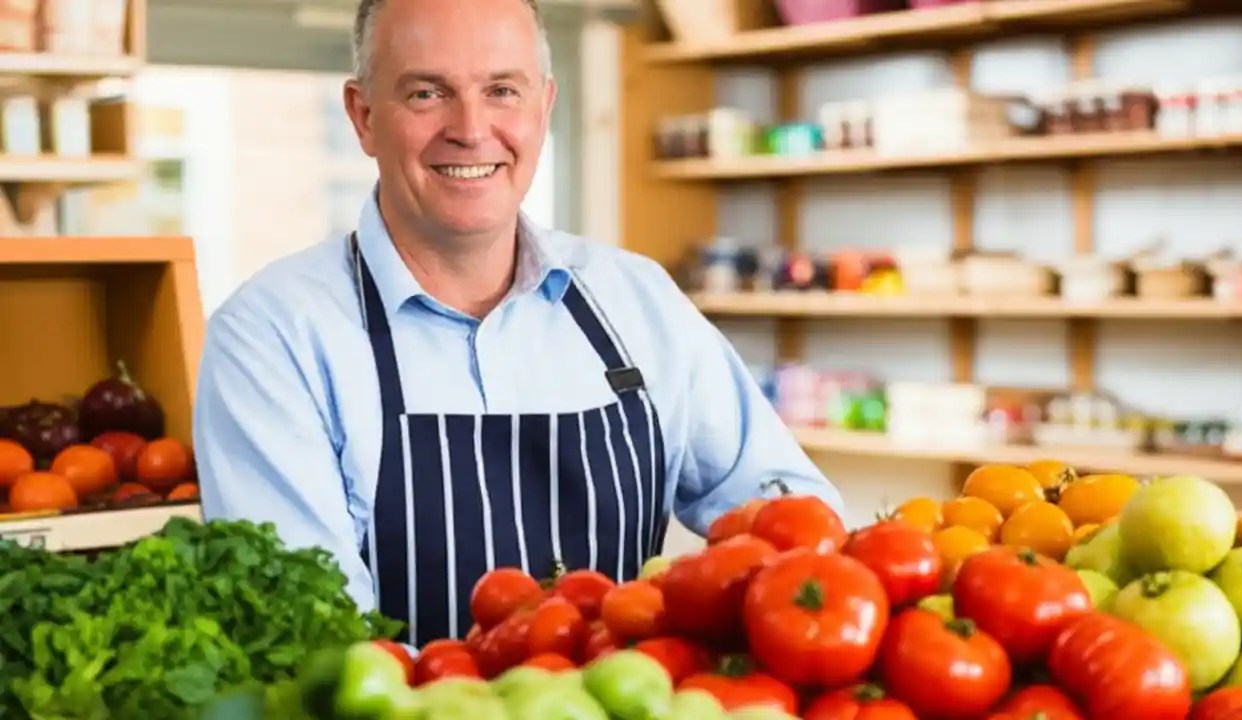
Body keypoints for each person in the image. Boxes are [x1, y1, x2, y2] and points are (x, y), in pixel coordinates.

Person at [193, 0, 844, 647]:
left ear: (545, 106)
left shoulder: (638, 302)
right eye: (427, 93)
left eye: (502, 90)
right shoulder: (272, 337)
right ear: (363, 118)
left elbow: (795, 518)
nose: (471, 129)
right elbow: (317, 643)